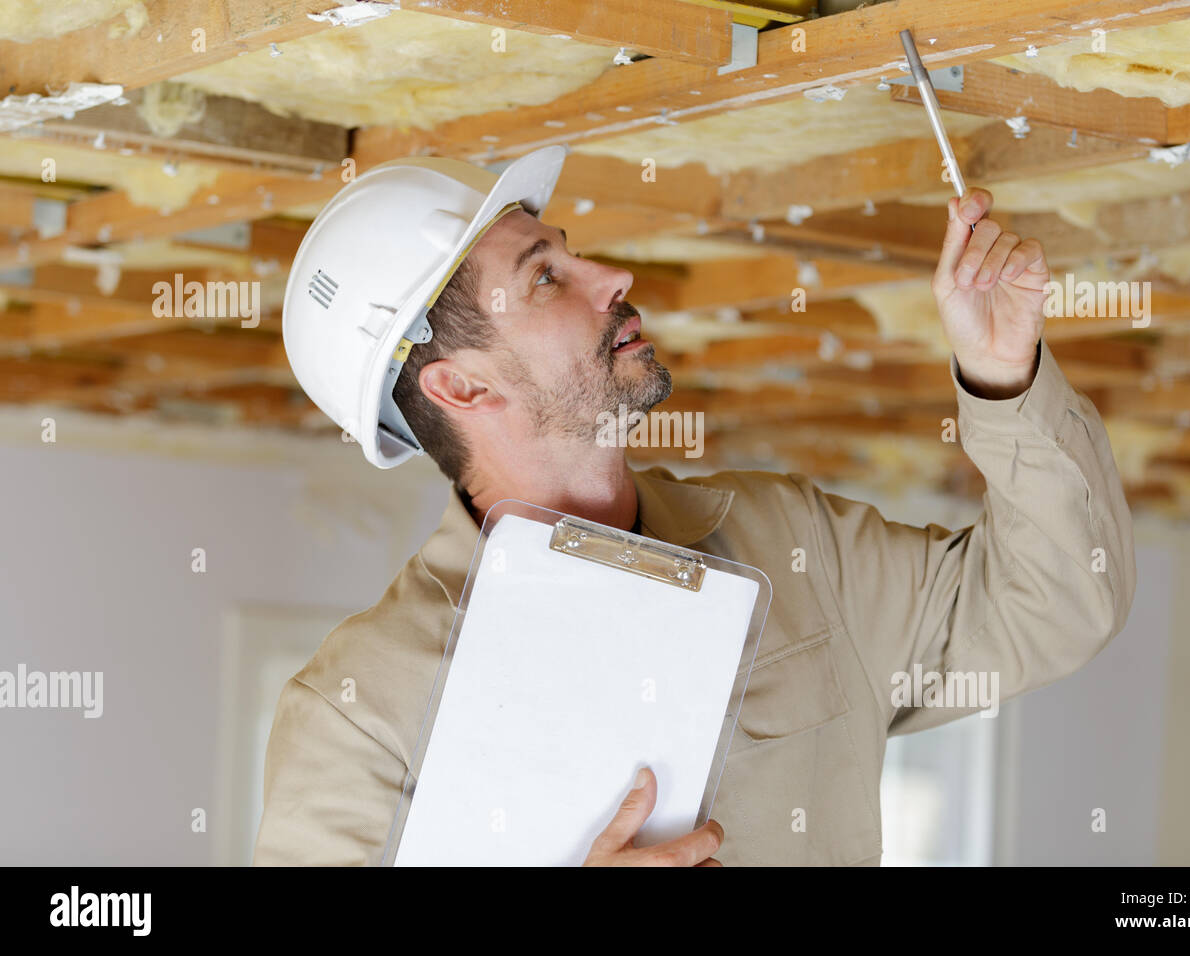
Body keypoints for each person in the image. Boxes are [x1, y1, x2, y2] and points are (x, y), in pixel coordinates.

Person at [257, 145, 1135, 866]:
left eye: (568, 252)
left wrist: (1001, 379)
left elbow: (1055, 602)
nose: (611, 275)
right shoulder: (362, 706)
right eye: (544, 279)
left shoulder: (790, 545)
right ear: (459, 384)